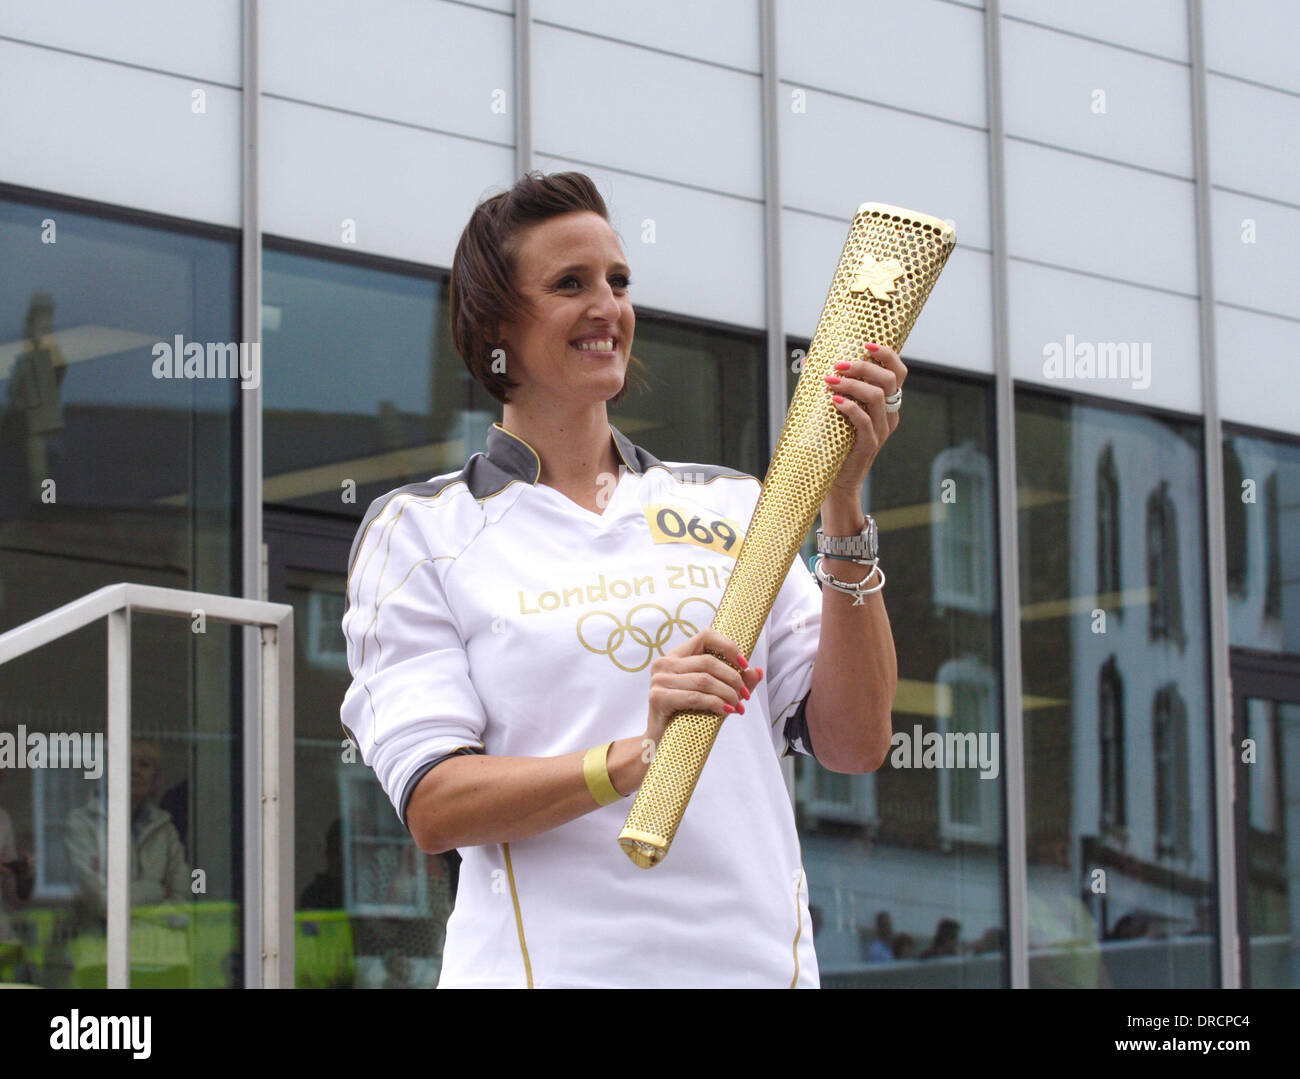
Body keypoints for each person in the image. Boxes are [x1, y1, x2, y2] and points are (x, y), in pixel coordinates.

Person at [341, 171, 902, 988]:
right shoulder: (423, 533)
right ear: (496, 323)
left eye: (619, 281)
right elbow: (436, 804)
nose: (608, 306)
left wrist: (843, 508)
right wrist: (635, 758)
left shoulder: (739, 506)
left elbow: (855, 741)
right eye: (570, 284)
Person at [65, 739, 190, 925]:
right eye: (127, 762)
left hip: (159, 946)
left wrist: (126, 897)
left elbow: (182, 896)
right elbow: (102, 903)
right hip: (100, 947)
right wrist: (157, 891)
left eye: (144, 765)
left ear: (155, 778)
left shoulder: (165, 828)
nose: (135, 771)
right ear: (109, 772)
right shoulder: (82, 823)